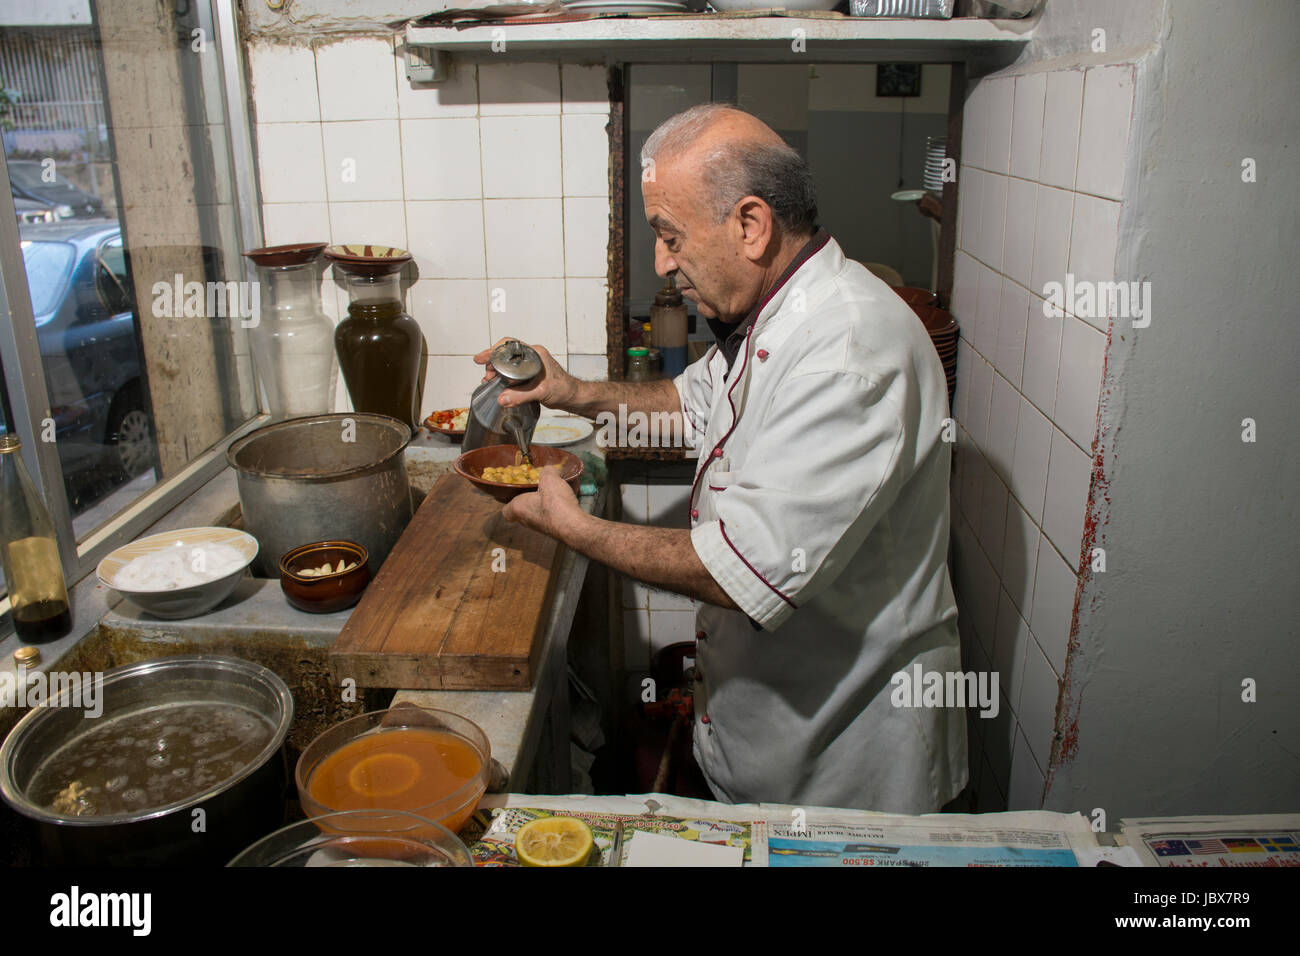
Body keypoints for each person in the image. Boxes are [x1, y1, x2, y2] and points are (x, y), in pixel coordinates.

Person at [475, 103, 966, 813]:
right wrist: (572, 391)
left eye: (670, 237)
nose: (661, 264)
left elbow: (744, 573)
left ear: (751, 225)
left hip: (848, 768)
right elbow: (690, 404)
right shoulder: (777, 315)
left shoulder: (848, 354)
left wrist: (574, 529)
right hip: (769, 734)